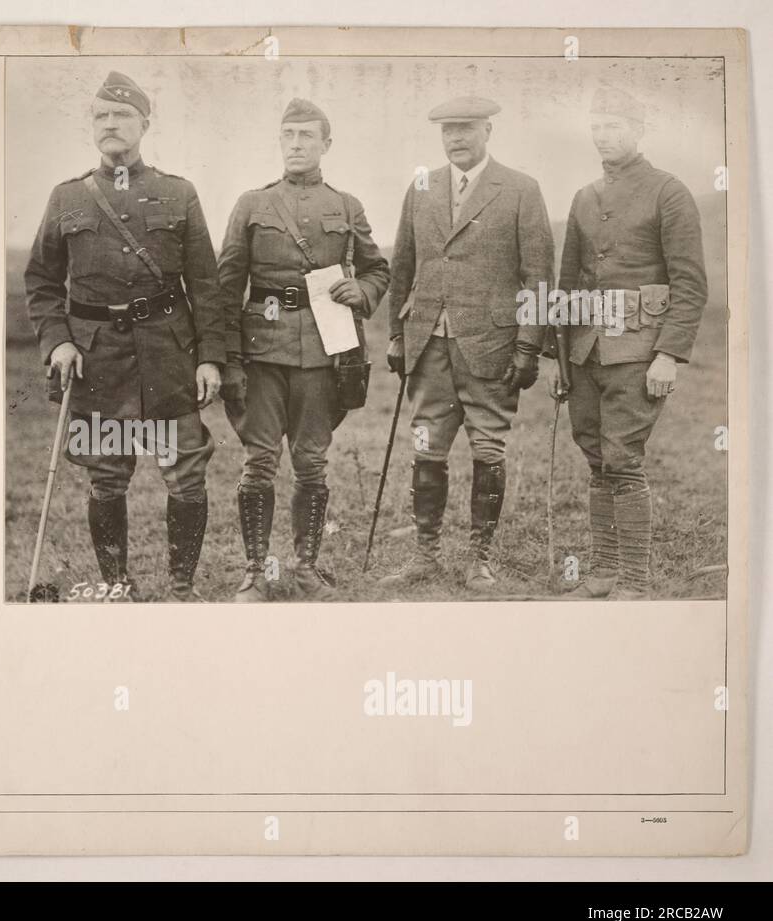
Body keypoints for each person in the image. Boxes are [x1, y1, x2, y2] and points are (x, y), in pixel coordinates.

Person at [24, 71, 225, 601]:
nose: (110, 124)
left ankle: (182, 587)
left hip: (167, 356)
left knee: (184, 474)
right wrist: (58, 342)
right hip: (97, 362)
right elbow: (42, 281)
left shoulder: (177, 192)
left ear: (144, 124)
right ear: (92, 125)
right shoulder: (67, 196)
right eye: (101, 116)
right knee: (106, 478)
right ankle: (116, 583)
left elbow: (205, 283)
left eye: (122, 115)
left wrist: (210, 358)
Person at [217, 97, 389, 601]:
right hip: (260, 353)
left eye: (307, 136)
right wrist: (228, 358)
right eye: (288, 135)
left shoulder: (346, 205)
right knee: (260, 461)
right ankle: (254, 570)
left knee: (312, 462)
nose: (296, 144)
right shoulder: (252, 204)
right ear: (280, 141)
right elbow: (227, 287)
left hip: (324, 353)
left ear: (325, 145)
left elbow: (378, 268)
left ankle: (306, 566)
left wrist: (365, 292)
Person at [382, 95, 555, 593]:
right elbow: (403, 266)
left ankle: (480, 557)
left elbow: (538, 274)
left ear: (487, 131)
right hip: (428, 343)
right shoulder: (422, 186)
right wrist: (398, 332)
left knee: (488, 447)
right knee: (426, 446)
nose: (456, 138)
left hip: (492, 345)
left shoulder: (521, 189)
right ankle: (425, 554)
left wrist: (527, 346)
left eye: (466, 129)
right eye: (447, 131)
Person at [545, 86, 708, 599]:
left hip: (638, 351)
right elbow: (567, 281)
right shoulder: (585, 197)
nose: (604, 136)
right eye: (597, 126)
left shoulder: (668, 191)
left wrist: (668, 354)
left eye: (615, 126)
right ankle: (603, 573)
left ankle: (634, 580)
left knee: (623, 458)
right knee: (595, 457)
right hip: (586, 350)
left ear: (640, 131)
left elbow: (690, 284)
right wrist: (560, 356)